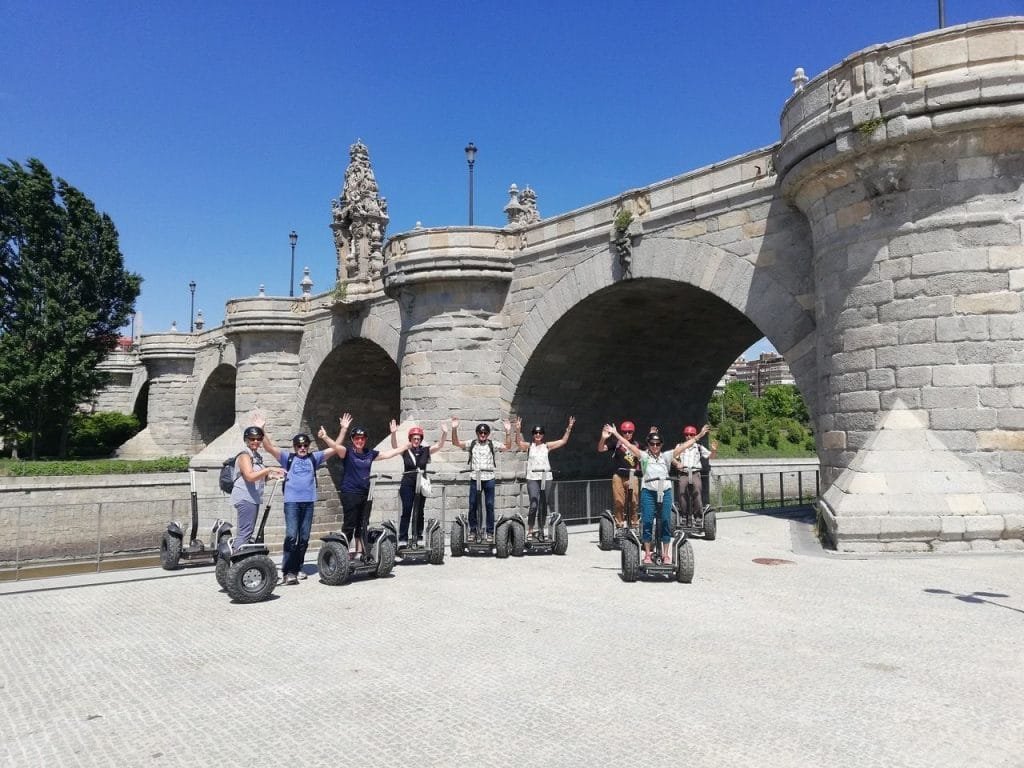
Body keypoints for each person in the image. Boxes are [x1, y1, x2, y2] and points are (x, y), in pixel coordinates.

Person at [603, 423, 710, 564]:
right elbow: (628, 446)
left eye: (658, 444)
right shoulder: (643, 456)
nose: (655, 446)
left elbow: (684, 446)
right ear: (648, 444)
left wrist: (700, 436)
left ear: (661, 445)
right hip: (648, 492)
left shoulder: (666, 456)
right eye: (652, 444)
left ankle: (666, 555)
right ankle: (647, 554)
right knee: (647, 522)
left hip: (665, 492)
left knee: (665, 522)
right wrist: (616, 434)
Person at [261, 419, 343, 585]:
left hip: (308, 502)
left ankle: (298, 568)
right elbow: (269, 448)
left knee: (304, 538)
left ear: (308, 446)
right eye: (299, 446)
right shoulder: (287, 458)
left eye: (305, 445)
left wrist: (340, 430)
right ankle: (287, 571)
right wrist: (261, 429)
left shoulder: (315, 458)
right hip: (292, 502)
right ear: (294, 447)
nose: (302, 448)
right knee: (292, 536)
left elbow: (336, 448)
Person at [319, 414, 407, 558]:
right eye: (357, 438)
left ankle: (360, 552)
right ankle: (344, 554)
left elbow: (387, 454)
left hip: (365, 493)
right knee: (349, 524)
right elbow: (335, 446)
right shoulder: (347, 452)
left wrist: (403, 446)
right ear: (353, 440)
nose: (360, 441)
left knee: (362, 523)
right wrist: (327, 436)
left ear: (365, 440)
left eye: (362, 438)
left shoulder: (369, 453)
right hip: (350, 493)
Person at [450, 417, 513, 539]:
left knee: (489, 505)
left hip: (489, 478)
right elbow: (456, 443)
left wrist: (508, 432)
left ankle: (489, 532)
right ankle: (473, 531)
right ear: (477, 433)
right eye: (480, 432)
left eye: (485, 433)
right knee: (473, 504)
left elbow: (507, 447)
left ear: (488, 434)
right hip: (475, 478)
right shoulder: (472, 443)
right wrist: (454, 428)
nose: (482, 435)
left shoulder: (492, 444)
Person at [228, 416, 285, 550]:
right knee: (245, 532)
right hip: (245, 497)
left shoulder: (256, 456)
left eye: (259, 439)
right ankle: (235, 562)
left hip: (252, 497)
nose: (256, 441)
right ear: (246, 440)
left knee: (248, 531)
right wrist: (269, 469)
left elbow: (259, 477)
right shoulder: (244, 455)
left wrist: (272, 476)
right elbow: (249, 477)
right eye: (252, 439)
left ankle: (238, 562)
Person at [513, 415, 575, 538]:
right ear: (533, 434)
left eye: (540, 433)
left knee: (543, 504)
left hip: (546, 478)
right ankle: (530, 529)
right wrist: (518, 429)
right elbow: (518, 442)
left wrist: (569, 427)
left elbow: (563, 441)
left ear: (543, 435)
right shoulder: (529, 446)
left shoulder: (547, 446)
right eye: (536, 433)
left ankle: (541, 528)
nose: (538, 435)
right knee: (534, 504)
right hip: (532, 477)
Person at [390, 421, 448, 548]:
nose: (416, 440)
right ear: (410, 439)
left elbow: (439, 445)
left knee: (419, 511)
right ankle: (403, 539)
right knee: (407, 510)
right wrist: (393, 433)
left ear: (421, 439)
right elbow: (395, 446)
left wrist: (444, 433)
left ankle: (418, 536)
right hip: (407, 483)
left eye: (418, 438)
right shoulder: (405, 450)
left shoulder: (425, 450)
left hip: (420, 483)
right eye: (414, 438)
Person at [597, 420, 641, 529]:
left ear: (633, 432)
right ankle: (620, 524)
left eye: (629, 432)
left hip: (632, 476)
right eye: (625, 432)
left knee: (634, 501)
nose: (627, 434)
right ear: (622, 432)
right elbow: (600, 449)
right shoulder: (616, 444)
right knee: (619, 502)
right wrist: (603, 438)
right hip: (618, 476)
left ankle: (634, 524)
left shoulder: (637, 444)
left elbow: (650, 452)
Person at [673, 424, 718, 523]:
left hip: (695, 472)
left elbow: (711, 456)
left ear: (694, 436)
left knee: (697, 493)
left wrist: (714, 450)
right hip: (684, 473)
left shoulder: (698, 447)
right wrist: (677, 463)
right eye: (687, 435)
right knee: (681, 493)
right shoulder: (680, 446)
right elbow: (672, 457)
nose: (688, 436)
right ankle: (683, 515)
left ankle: (698, 516)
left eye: (691, 435)